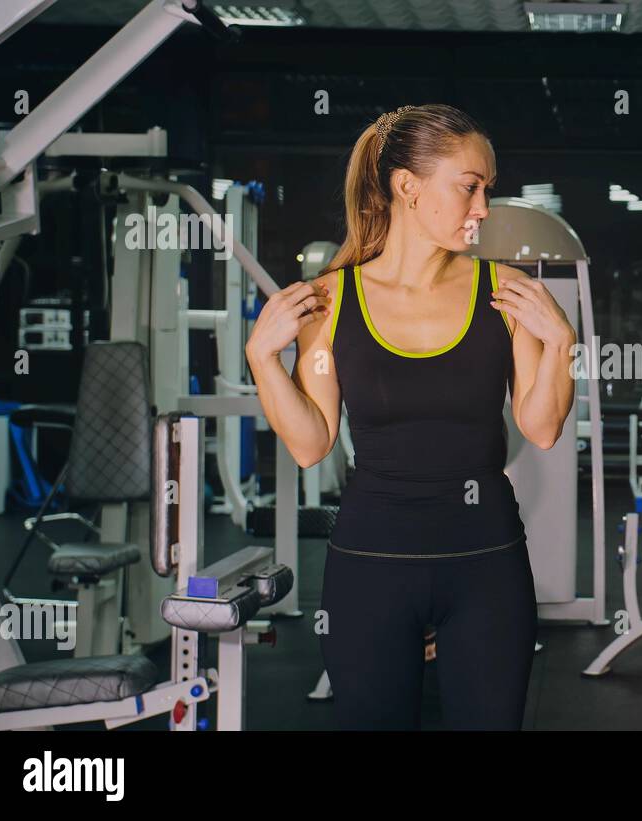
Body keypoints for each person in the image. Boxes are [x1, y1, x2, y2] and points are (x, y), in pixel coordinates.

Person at [245, 103, 577, 730]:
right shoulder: (332, 299)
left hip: (487, 566)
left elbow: (541, 426)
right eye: (469, 187)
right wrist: (261, 357)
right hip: (371, 568)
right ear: (407, 186)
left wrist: (560, 344)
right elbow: (310, 443)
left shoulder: (505, 292)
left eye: (488, 190)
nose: (483, 207)